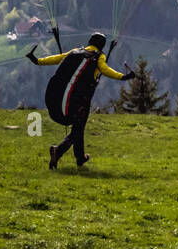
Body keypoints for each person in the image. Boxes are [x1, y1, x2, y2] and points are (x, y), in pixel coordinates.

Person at [27, 31, 133, 169]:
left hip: (55, 104)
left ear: (90, 41)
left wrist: (37, 61)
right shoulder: (99, 57)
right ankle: (61, 152)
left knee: (78, 127)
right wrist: (123, 77)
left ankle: (78, 157)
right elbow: (105, 70)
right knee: (79, 127)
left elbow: (57, 58)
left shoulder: (75, 51)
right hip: (77, 102)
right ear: (102, 45)